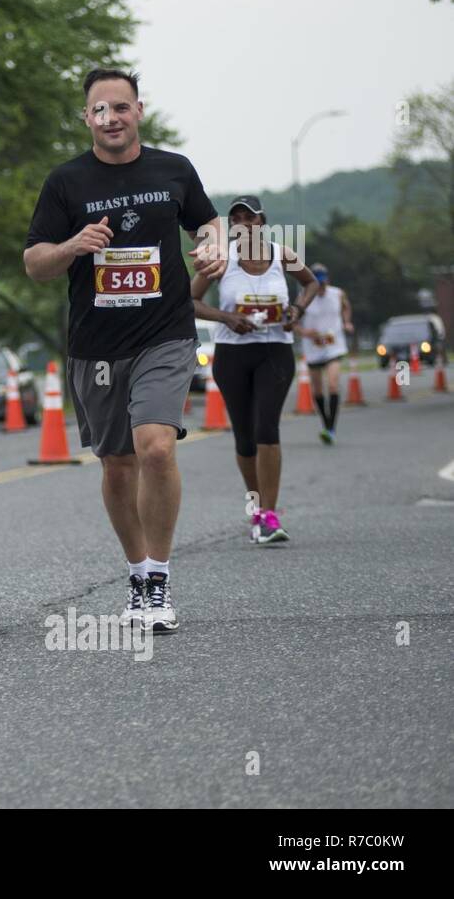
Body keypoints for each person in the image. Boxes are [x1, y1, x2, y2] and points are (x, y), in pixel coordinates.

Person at [23, 68, 226, 633]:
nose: (110, 118)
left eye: (120, 107)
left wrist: (214, 248)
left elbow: (207, 223)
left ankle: (158, 579)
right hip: (97, 346)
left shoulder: (173, 170)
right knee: (117, 465)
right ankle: (136, 572)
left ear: (139, 110)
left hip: (165, 332)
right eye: (99, 111)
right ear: (86, 119)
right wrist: (72, 245)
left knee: (156, 448)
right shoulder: (65, 183)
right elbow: (35, 263)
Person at [191, 196, 318, 543]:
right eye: (236, 219)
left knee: (267, 428)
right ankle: (257, 509)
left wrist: (297, 310)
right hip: (233, 355)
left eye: (250, 217)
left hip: (275, 352)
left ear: (262, 222)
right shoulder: (222, 259)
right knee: (245, 438)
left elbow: (310, 284)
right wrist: (227, 318)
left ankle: (270, 517)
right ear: (231, 226)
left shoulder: (282, 255)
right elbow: (192, 300)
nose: (243, 223)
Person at [296, 264, 353, 444]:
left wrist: (346, 322)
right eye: (317, 284)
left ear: (327, 280)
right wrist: (304, 332)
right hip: (313, 347)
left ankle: (331, 427)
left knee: (334, 384)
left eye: (323, 283)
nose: (321, 288)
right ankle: (325, 422)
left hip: (333, 345)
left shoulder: (338, 294)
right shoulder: (304, 297)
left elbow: (346, 307)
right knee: (317, 389)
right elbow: (292, 321)